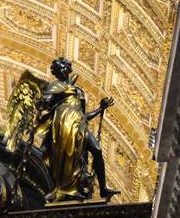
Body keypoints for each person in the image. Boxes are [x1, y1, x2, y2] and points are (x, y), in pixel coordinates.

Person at [34, 57, 118, 202]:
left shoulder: (78, 91)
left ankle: (103, 188)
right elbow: (43, 104)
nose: (62, 70)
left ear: (68, 69)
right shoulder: (54, 86)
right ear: (56, 73)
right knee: (66, 156)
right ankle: (64, 187)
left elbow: (83, 115)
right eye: (59, 69)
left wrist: (101, 108)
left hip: (79, 124)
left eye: (64, 67)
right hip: (63, 124)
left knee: (97, 150)